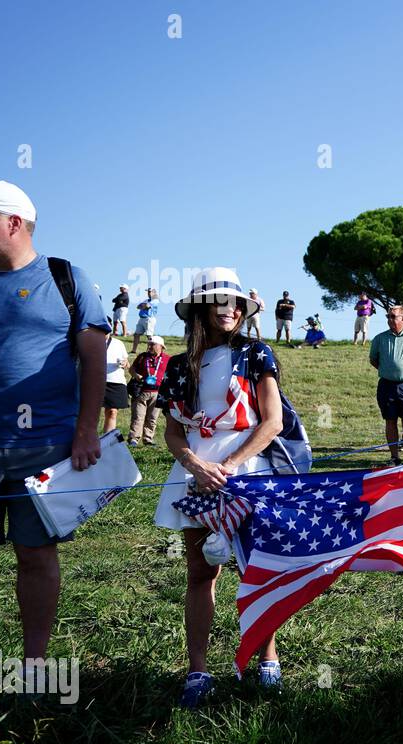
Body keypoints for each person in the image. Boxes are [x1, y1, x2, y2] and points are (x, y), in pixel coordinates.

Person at [0, 180, 108, 675]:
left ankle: (34, 666)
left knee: (35, 555)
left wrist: (86, 430)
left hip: (44, 450)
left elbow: (94, 360)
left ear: (12, 221)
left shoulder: (66, 279)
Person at [153, 268, 285, 708]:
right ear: (201, 310)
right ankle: (198, 670)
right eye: (218, 302)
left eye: (234, 303)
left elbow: (273, 422)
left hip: (247, 472)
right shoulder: (176, 365)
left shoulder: (257, 353)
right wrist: (195, 464)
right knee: (200, 572)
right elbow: (172, 432)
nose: (228, 309)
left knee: (255, 569)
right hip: (195, 475)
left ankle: (266, 659)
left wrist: (228, 465)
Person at [369, 305, 403, 465]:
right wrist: (389, 369)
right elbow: (373, 360)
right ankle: (395, 457)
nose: (390, 319)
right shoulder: (380, 338)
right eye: (388, 316)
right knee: (390, 420)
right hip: (386, 385)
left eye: (393, 316)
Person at [128, 335, 169, 446]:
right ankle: (134, 439)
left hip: (158, 393)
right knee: (138, 416)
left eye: (152, 344)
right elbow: (131, 370)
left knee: (152, 417)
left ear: (161, 346)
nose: (149, 346)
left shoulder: (167, 359)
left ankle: (148, 438)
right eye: (148, 344)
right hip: (141, 391)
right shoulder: (142, 357)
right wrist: (138, 377)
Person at [101, 333, 129, 435]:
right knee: (91, 413)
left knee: (112, 412)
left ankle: (107, 441)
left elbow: (127, 362)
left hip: (116, 381)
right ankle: (88, 440)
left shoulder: (118, 343)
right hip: (95, 380)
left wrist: (125, 363)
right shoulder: (91, 341)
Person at [131, 287, 158, 354]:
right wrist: (143, 306)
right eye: (148, 292)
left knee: (149, 335)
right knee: (136, 334)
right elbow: (138, 306)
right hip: (142, 318)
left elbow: (147, 306)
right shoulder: (147, 300)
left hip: (149, 319)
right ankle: (134, 350)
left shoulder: (155, 300)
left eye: (150, 292)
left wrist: (143, 306)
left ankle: (149, 351)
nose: (148, 293)